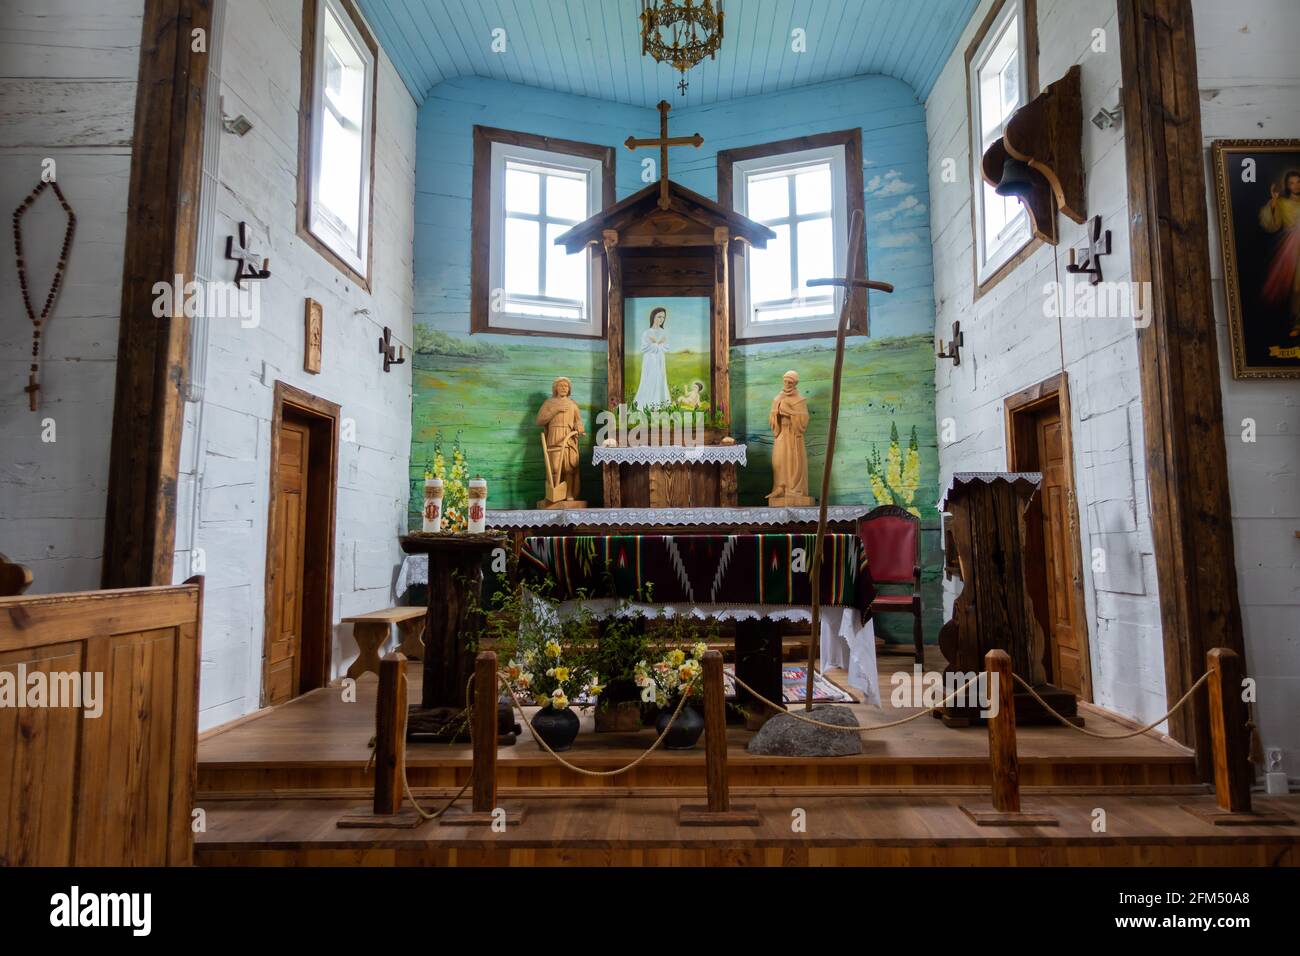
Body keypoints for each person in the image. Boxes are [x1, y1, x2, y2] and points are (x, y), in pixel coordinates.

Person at [1259, 169, 1300, 338]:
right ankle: (1297, 323)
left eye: (1298, 182)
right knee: (1297, 288)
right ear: (1287, 185)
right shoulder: (1282, 203)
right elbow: (1273, 225)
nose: (1295, 186)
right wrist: (1274, 203)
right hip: (1293, 248)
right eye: (1291, 183)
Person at [767, 370, 813, 506]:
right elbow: (772, 421)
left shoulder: (800, 400)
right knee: (779, 461)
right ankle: (779, 488)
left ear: (795, 383)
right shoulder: (777, 399)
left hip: (793, 435)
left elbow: (804, 419)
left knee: (793, 463)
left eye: (790, 382)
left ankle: (794, 490)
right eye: (785, 381)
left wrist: (790, 412)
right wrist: (776, 413)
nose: (787, 384)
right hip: (781, 435)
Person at [536, 376, 585, 502]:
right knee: (555, 468)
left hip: (569, 438)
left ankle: (568, 494)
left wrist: (579, 427)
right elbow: (540, 421)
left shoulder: (572, 404)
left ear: (569, 389)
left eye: (566, 386)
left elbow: (578, 421)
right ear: (555, 388)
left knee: (569, 468)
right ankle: (553, 494)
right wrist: (555, 410)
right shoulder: (549, 403)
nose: (563, 388)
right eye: (561, 386)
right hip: (555, 436)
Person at [633, 306, 671, 407]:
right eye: (659, 317)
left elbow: (666, 347)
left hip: (660, 359)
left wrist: (655, 344)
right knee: (650, 378)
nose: (661, 319)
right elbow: (644, 348)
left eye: (663, 317)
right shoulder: (647, 333)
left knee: (660, 378)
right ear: (653, 317)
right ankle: (647, 403)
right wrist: (658, 344)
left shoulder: (664, 332)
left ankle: (661, 403)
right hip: (650, 360)